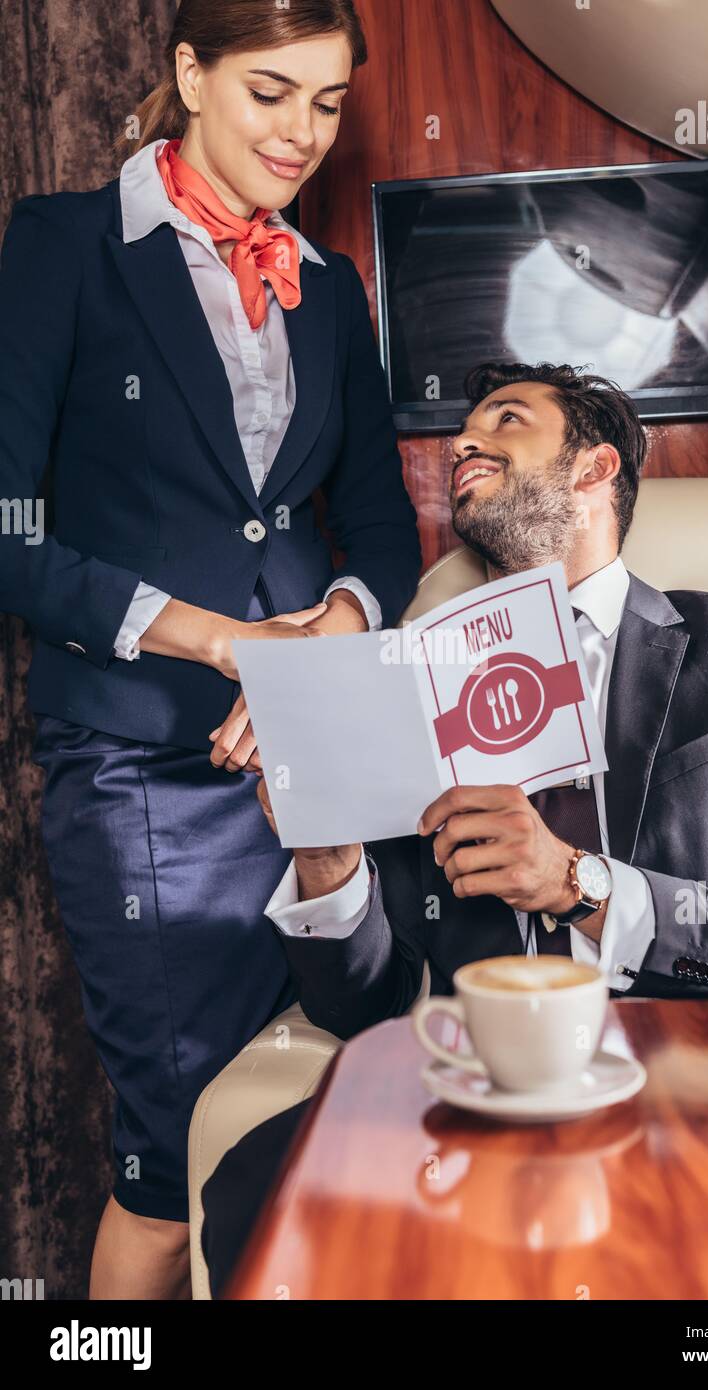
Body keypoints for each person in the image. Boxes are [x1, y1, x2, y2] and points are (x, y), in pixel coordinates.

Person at [200, 360, 708, 1297]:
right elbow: (362, 1010)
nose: (463, 441)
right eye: (462, 428)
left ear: (594, 472)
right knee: (256, 1191)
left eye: (505, 420)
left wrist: (577, 884)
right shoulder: (401, 681)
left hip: (695, 1070)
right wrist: (327, 861)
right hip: (481, 1077)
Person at [0, 0, 420, 1299]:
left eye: (326, 102)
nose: (301, 131)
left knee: (325, 1120)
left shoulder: (330, 285)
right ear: (186, 72)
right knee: (170, 1153)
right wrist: (224, 642)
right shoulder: (64, 245)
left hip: (321, 763)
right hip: (144, 777)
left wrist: (331, 628)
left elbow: (378, 530)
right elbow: (9, 533)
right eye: (268, 93)